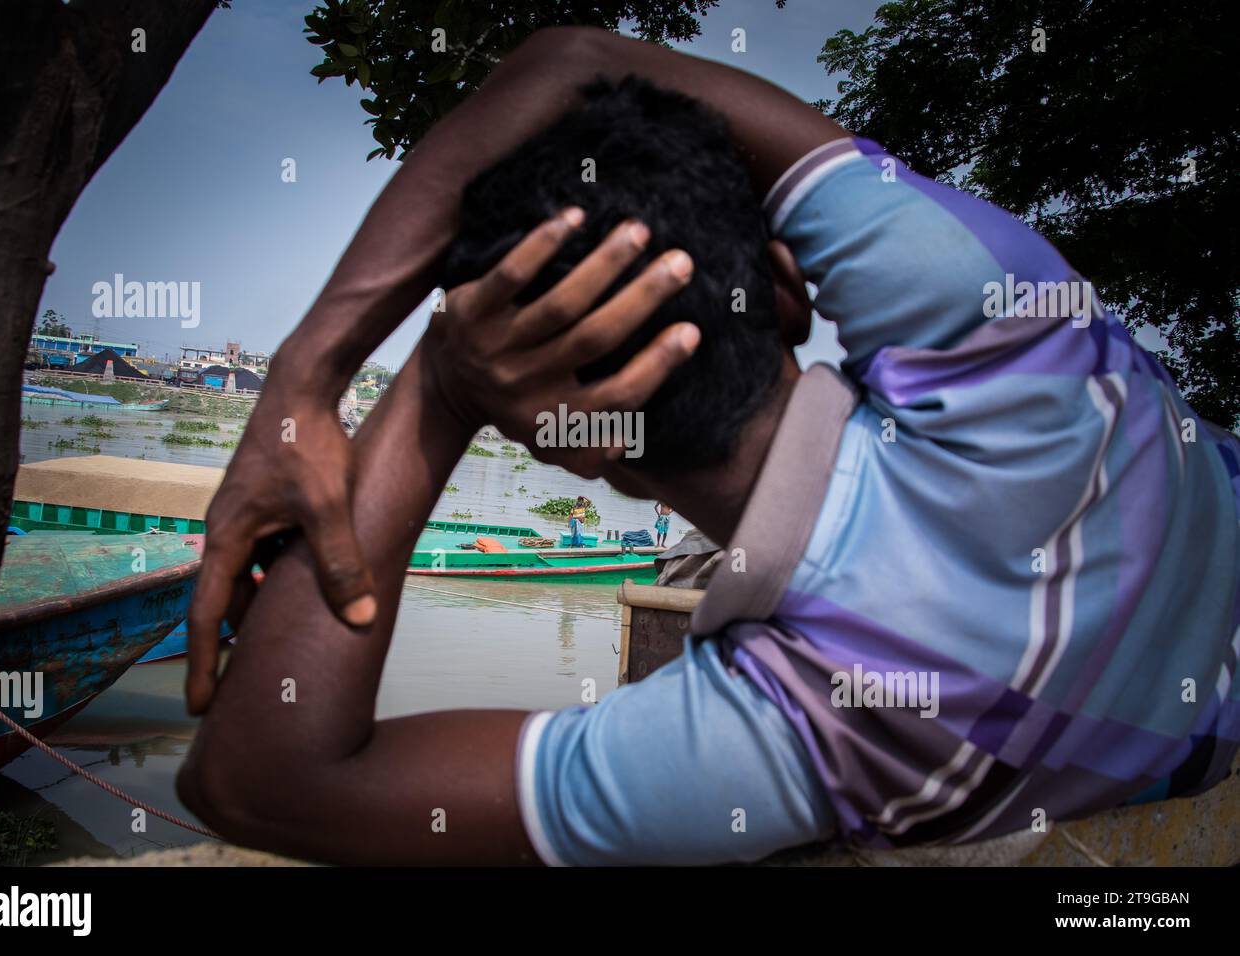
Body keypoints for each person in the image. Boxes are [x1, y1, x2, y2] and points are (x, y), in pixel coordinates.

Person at [180, 28, 1240, 866]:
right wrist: (309, 370)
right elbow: (575, 57)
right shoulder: (1007, 334)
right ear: (786, 291)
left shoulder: (807, 731)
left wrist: (445, 381)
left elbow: (256, 782)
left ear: (573, 450)